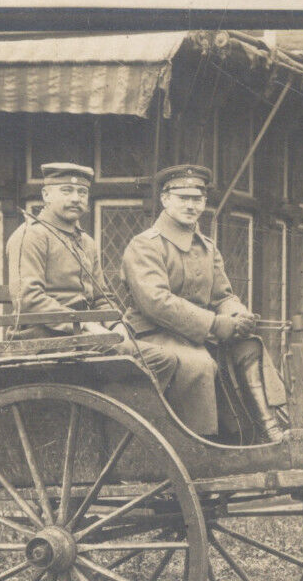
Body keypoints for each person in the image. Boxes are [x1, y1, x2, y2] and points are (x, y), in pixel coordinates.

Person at [120, 164, 287, 442]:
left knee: (248, 346)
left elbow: (222, 295)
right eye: (183, 198)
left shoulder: (207, 246)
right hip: (155, 334)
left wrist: (238, 315)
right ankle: (203, 445)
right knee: (199, 366)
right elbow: (156, 303)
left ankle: (265, 431)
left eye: (197, 199)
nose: (191, 205)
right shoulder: (145, 245)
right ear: (165, 199)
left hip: (198, 334)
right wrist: (216, 324)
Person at [4, 162, 119, 336]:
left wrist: (117, 325)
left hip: (84, 335)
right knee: (154, 359)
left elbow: (101, 298)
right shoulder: (31, 235)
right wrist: (84, 326)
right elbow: (29, 298)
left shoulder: (87, 242)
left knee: (158, 357)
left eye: (82, 192)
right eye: (66, 190)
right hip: (42, 337)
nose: (75, 198)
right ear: (46, 195)